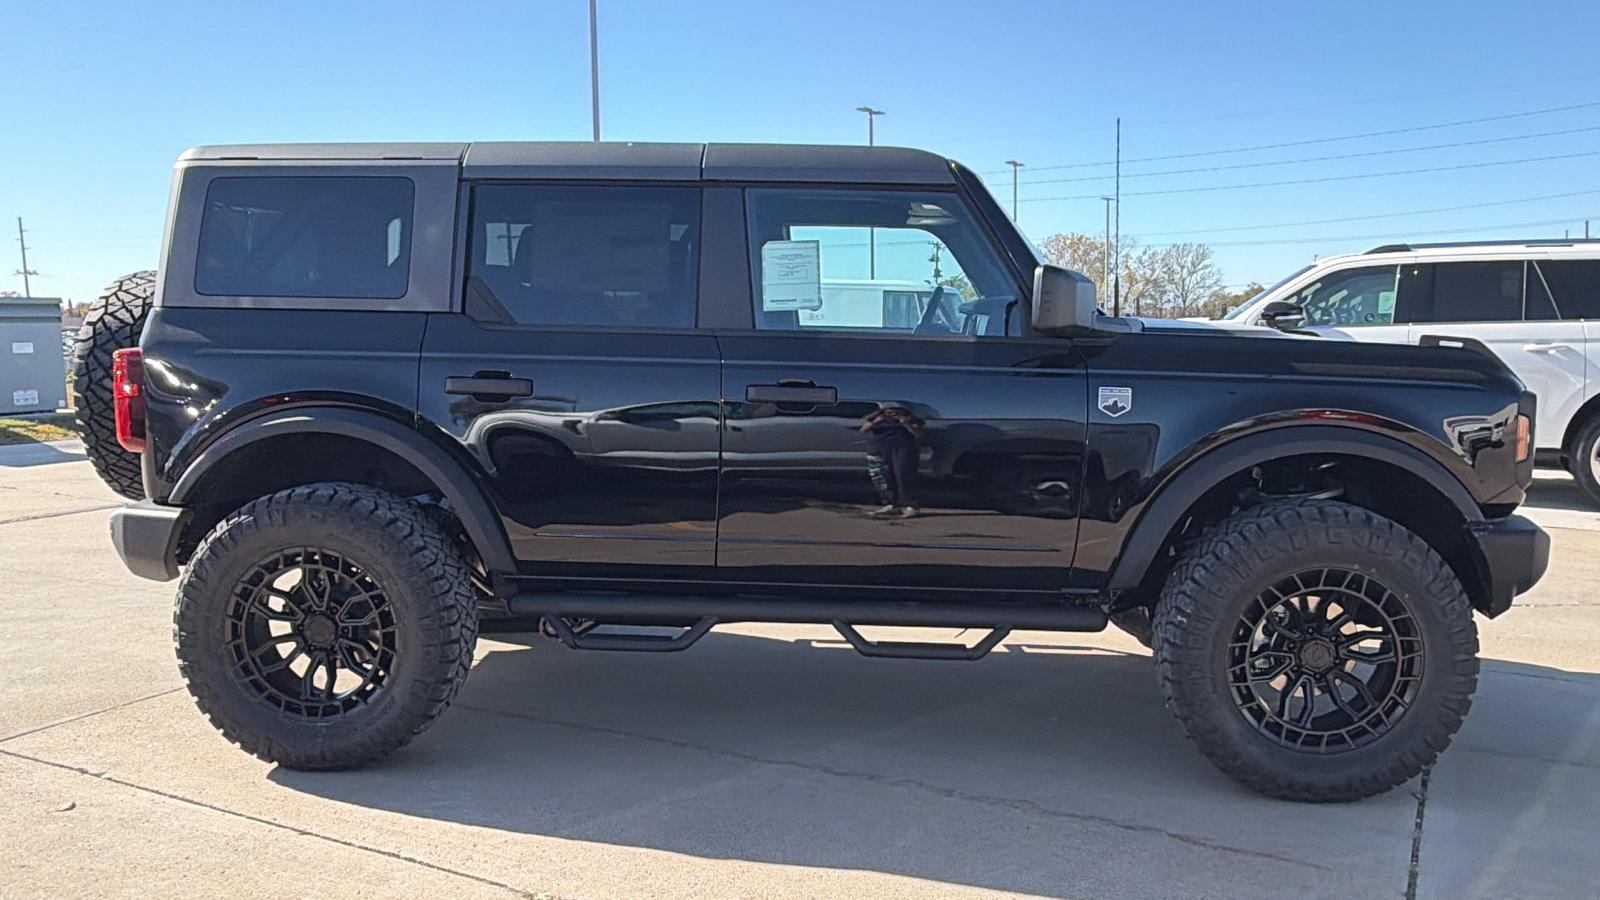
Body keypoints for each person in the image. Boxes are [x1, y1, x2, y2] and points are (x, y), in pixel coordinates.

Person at [860, 406, 924, 518]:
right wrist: (876, 421)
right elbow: (864, 429)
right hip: (878, 448)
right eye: (888, 412)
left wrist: (905, 423)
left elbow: (918, 433)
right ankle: (890, 503)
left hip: (903, 448)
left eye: (894, 413)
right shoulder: (876, 420)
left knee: (903, 475)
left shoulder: (911, 421)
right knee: (882, 476)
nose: (890, 415)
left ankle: (910, 505)